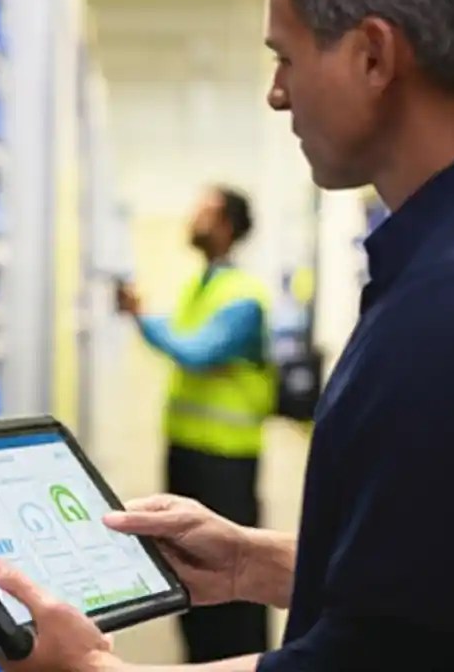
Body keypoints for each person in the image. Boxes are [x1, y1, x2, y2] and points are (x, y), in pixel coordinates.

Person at [0, 0, 454, 670]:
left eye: (286, 57)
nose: (277, 94)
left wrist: (91, 670)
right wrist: (253, 563)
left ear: (373, 56)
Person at [114, 185, 274, 663]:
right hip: (188, 450)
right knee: (186, 569)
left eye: (203, 210)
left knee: (232, 574)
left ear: (226, 224)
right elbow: (179, 335)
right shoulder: (201, 284)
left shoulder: (243, 297)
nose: (191, 217)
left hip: (226, 458)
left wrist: (142, 315)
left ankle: (239, 660)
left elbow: (196, 351)